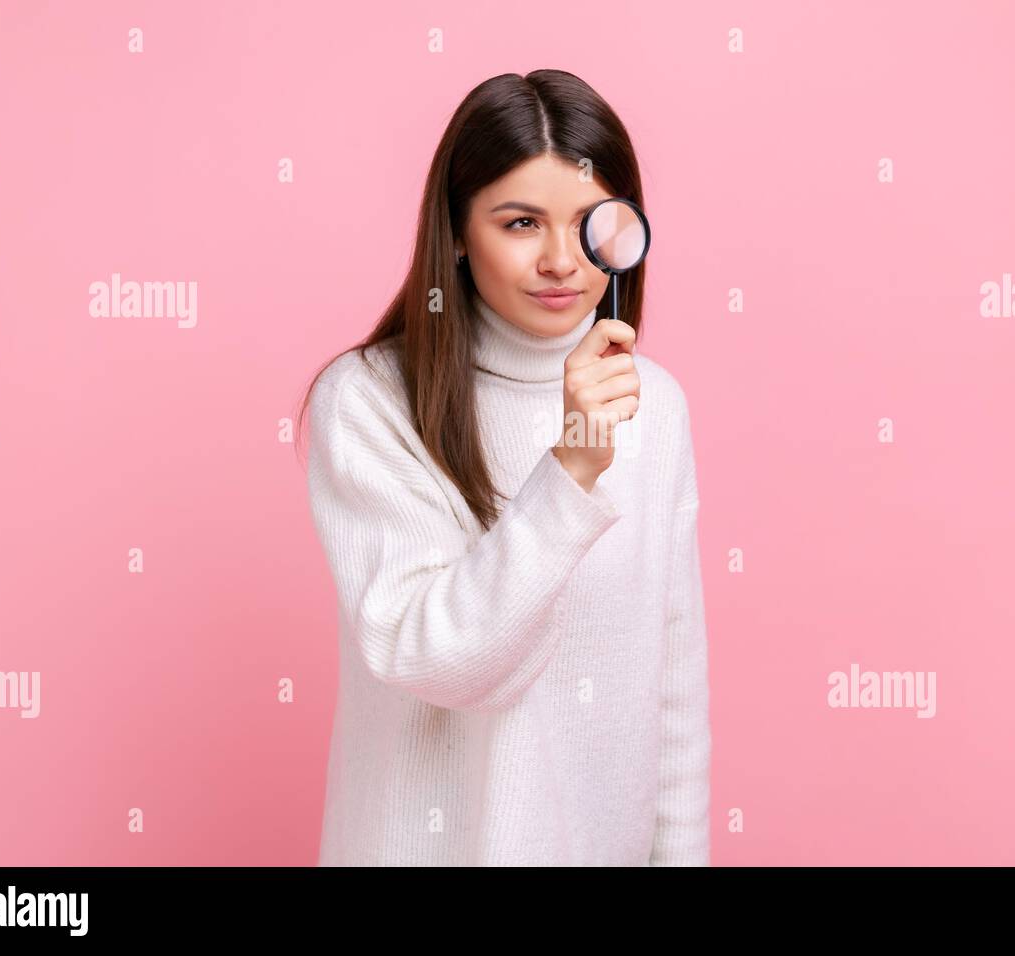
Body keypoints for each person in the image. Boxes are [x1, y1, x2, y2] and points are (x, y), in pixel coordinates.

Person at [294, 69, 710, 866]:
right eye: (521, 222)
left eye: (589, 224)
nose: (561, 261)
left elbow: (673, 689)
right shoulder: (368, 400)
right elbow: (434, 657)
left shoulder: (653, 405)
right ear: (456, 232)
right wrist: (570, 471)